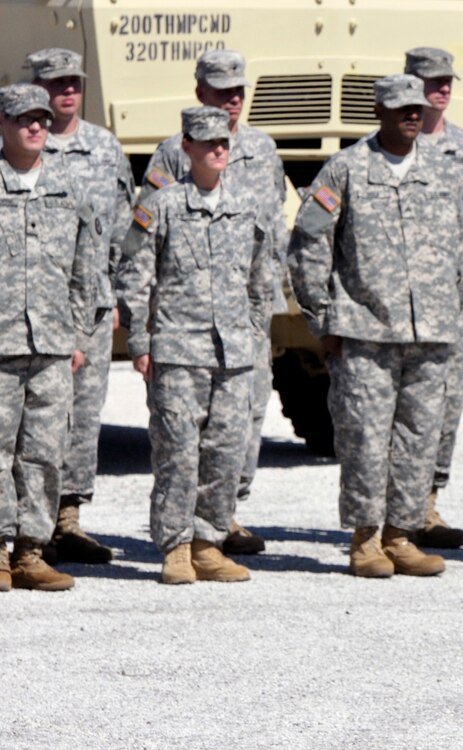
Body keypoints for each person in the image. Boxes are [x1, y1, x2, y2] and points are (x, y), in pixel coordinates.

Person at [287, 74, 463, 578]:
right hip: (364, 330)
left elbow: (458, 245)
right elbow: (307, 245)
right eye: (401, 108)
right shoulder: (345, 169)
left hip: (430, 333)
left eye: (416, 108)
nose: (412, 115)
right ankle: (365, 538)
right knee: (364, 438)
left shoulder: (441, 170)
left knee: (419, 437)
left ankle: (402, 534)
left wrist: (456, 307)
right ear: (380, 113)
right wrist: (322, 317)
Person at [116, 106, 272, 585]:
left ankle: (209, 542)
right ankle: (176, 545)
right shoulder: (161, 205)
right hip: (178, 351)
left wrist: (253, 332)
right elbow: (134, 276)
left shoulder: (246, 205)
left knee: (226, 450)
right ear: (186, 148)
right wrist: (141, 341)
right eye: (207, 143)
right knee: (178, 452)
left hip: (233, 353)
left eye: (223, 142)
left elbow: (261, 277)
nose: (218, 150)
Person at [141, 48, 287, 557]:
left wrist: (261, 309)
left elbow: (274, 232)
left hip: (243, 320)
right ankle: (188, 535)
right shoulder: (170, 155)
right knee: (183, 434)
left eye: (239, 91)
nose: (233, 99)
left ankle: (223, 518)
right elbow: (150, 242)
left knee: (241, 425)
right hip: (187, 324)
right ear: (200, 91)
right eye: (222, 91)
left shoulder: (264, 150)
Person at [24, 47, 135, 566]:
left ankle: (67, 520)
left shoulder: (105, 148)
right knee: (31, 420)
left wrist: (112, 292)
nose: (67, 90)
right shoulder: (22, 147)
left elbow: (122, 228)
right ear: (38, 87)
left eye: (74, 82)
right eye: (56, 82)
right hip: (30, 310)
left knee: (84, 417)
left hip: (88, 307)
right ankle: (27, 525)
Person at [0, 83, 98, 592]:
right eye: (23, 119)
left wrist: (79, 334)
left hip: (53, 346)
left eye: (40, 118)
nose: (35, 126)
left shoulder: (69, 186)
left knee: (42, 451)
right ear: (2, 124)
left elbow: (87, 269)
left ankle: (31, 552)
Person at [404, 46, 463, 550]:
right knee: (395, 409)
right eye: (430, 80)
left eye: (446, 81)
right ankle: (391, 509)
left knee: (446, 403)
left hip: (455, 302)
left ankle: (426, 503)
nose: (441, 88)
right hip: (397, 307)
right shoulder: (392, 147)